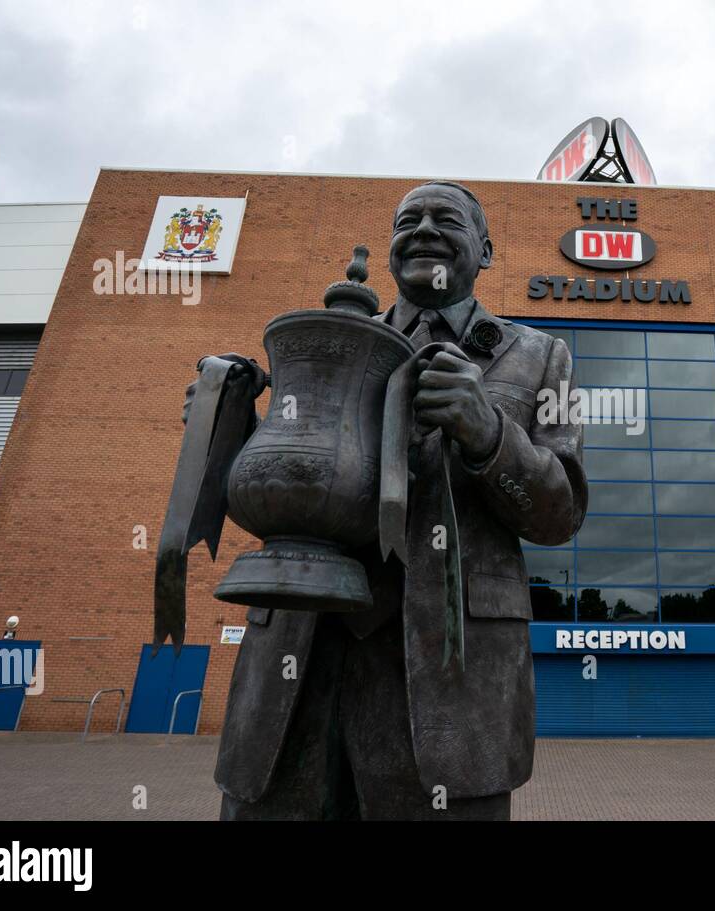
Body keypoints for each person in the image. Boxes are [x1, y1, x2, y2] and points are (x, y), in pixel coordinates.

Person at [199, 181, 587, 819]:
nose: (425, 229)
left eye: (446, 220)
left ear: (486, 252)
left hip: (451, 677)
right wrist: (224, 434)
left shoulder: (543, 357)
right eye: (409, 220)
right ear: (389, 250)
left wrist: (490, 434)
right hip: (300, 660)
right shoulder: (328, 345)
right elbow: (287, 484)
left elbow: (560, 512)